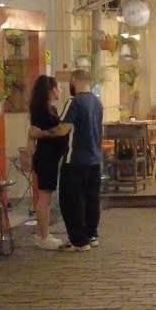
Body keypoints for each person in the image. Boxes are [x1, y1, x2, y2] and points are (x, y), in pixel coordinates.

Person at [53, 69, 104, 251]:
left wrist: (43, 132)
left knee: (71, 201)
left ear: (74, 80)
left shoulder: (74, 102)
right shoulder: (97, 102)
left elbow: (62, 129)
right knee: (91, 199)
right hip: (95, 159)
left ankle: (78, 240)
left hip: (75, 159)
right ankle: (91, 235)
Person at [25, 75, 67, 250]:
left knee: (46, 197)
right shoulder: (42, 111)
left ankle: (43, 233)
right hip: (46, 157)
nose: (60, 90)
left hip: (51, 156)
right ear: (50, 90)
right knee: (44, 198)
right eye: (57, 87)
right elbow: (40, 132)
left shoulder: (51, 110)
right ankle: (43, 235)